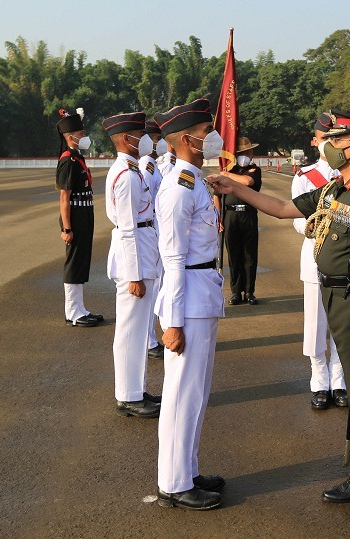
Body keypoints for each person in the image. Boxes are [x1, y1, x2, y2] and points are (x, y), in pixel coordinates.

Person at [207, 110, 350, 503]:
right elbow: (284, 208)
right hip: (334, 294)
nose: (326, 145)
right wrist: (235, 189)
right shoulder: (337, 188)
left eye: (335, 141)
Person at [153, 98, 226, 510]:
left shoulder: (195, 179)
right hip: (189, 296)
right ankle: (175, 482)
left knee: (195, 392)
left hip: (203, 289)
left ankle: (188, 469)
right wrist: (173, 320)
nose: (212, 138)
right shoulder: (179, 187)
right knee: (182, 393)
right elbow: (174, 258)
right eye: (205, 132)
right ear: (186, 139)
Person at [101, 112, 163, 419]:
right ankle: (127, 395)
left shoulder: (132, 169)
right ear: (128, 139)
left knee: (139, 330)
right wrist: (134, 275)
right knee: (129, 330)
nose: (148, 139)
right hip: (133, 256)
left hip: (142, 247)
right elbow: (126, 227)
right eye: (142, 134)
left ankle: (136, 389)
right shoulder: (126, 175)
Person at [291, 112, 348, 409]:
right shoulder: (305, 177)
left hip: (345, 257)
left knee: (341, 320)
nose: (331, 144)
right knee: (315, 322)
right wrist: (310, 226)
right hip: (314, 255)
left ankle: (339, 381)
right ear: (315, 142)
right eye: (326, 139)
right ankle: (318, 380)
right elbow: (295, 217)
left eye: (336, 139)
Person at [54, 108, 102, 328]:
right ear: (70, 136)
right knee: (74, 263)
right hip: (74, 216)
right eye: (81, 134)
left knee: (82, 262)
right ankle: (72, 312)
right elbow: (64, 197)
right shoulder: (67, 161)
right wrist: (66, 228)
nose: (84, 137)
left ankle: (80, 308)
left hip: (84, 215)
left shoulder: (77, 157)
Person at [222, 136, 263, 306]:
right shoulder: (229, 169)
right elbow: (218, 196)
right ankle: (235, 292)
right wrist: (219, 217)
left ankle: (249, 291)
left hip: (248, 215)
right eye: (243, 152)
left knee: (249, 256)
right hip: (230, 216)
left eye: (249, 152)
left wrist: (226, 175)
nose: (247, 155)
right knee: (234, 256)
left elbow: (247, 182)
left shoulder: (253, 170)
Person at [143, 119, 166, 361]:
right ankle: (149, 340)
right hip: (152, 231)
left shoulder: (151, 164)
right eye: (156, 139)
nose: (159, 143)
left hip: (155, 230)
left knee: (157, 287)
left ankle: (150, 337)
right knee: (154, 288)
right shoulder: (147, 166)